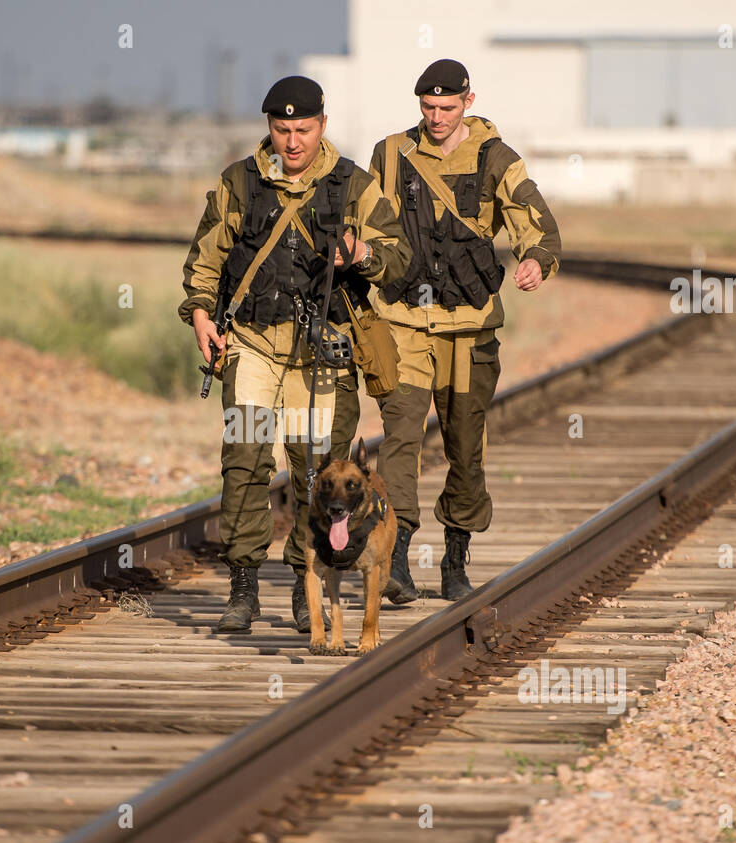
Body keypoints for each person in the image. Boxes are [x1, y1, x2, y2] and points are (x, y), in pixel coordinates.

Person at [180, 75, 410, 633]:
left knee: (319, 475)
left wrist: (360, 252)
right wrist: (201, 314)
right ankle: (243, 586)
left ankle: (304, 582)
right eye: (281, 129)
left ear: (322, 125)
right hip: (252, 346)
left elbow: (399, 258)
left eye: (303, 129)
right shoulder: (238, 182)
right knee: (244, 460)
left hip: (323, 353)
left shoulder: (354, 184)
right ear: (269, 128)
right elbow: (205, 259)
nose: (292, 141)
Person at [369, 58, 562, 602]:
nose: (435, 117)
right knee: (400, 439)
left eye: (446, 107)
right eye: (427, 107)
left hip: (468, 328)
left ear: (468, 102)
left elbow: (539, 226)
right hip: (403, 322)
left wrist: (535, 261)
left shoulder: (497, 159)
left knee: (465, 445)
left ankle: (455, 559)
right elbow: (365, 221)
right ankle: (397, 558)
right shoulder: (389, 154)